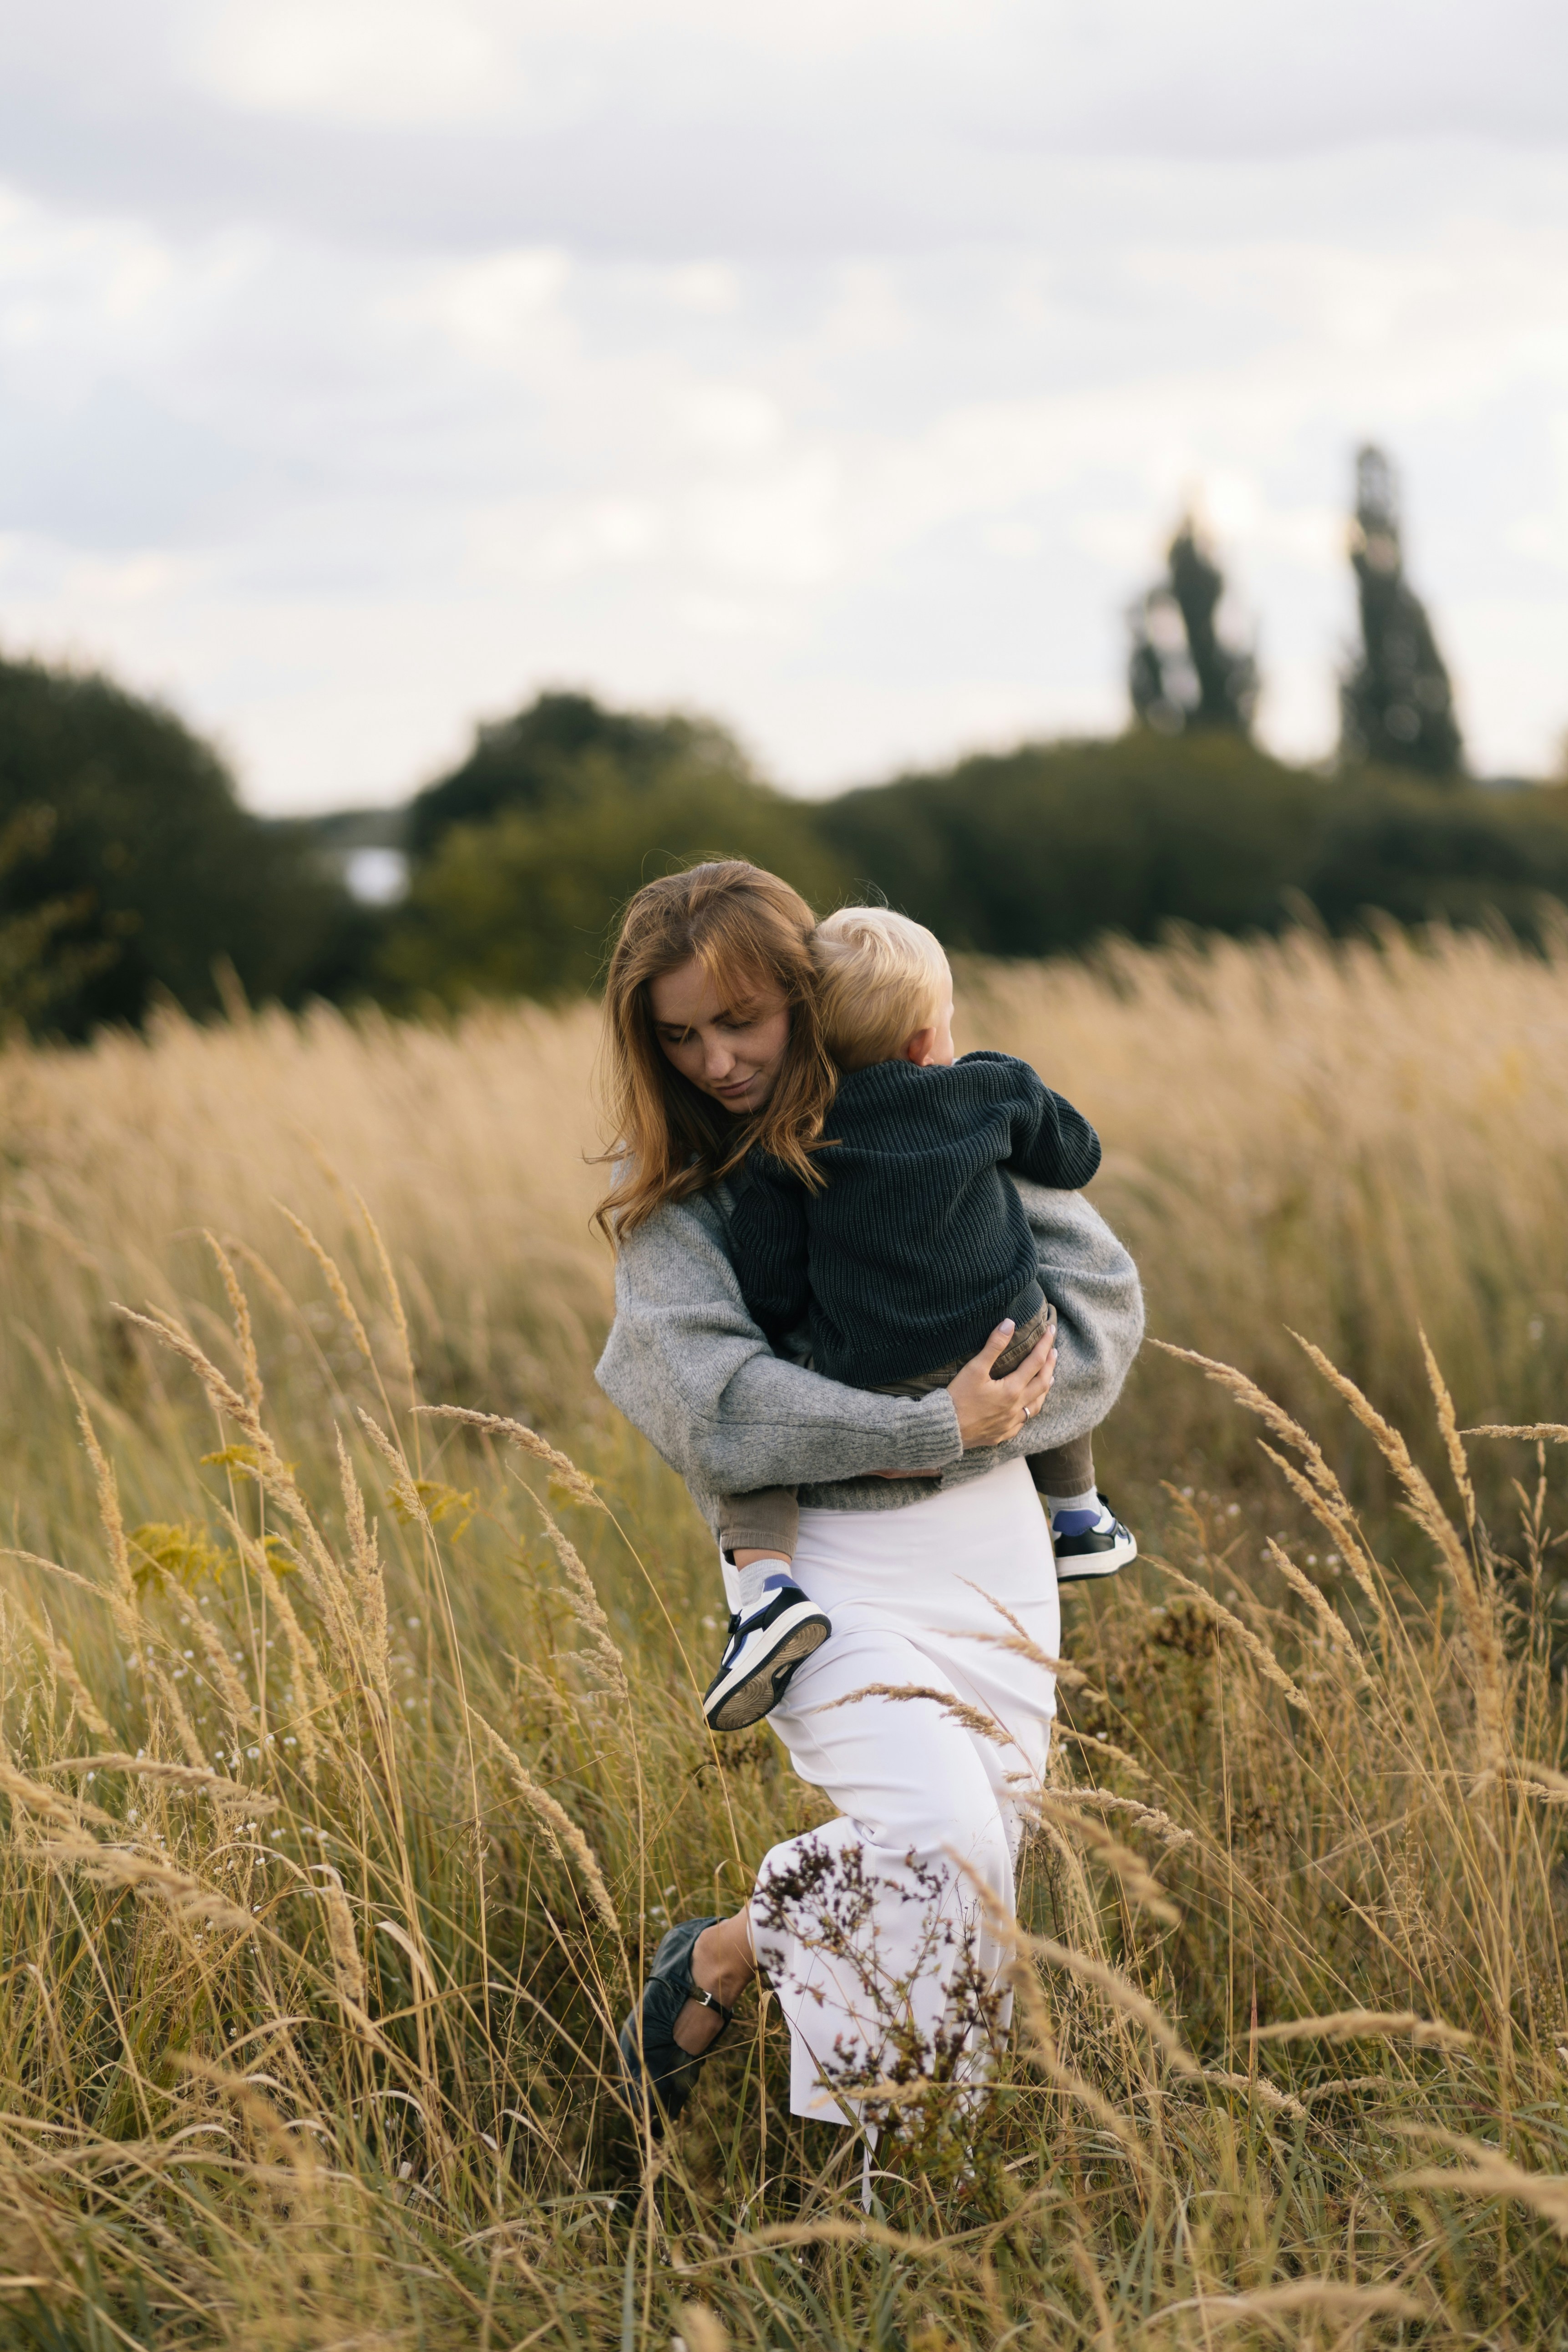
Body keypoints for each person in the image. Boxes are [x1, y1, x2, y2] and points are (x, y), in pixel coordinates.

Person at [593, 862, 1143, 2149]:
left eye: (741, 1021)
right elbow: (716, 1408)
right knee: (935, 1831)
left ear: (807, 993)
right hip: (818, 1569)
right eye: (677, 1035)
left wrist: (991, 1415)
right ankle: (869, 2179)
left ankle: (874, 2151)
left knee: (968, 1881)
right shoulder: (685, 1193)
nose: (716, 1061)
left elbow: (1100, 1315)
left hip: (996, 1545)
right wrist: (928, 1423)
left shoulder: (943, 1119)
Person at [703, 904, 1137, 1733]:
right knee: (1035, 1323)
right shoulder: (986, 1086)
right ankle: (1079, 1514)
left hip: (872, 1370)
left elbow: (769, 1286)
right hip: (1006, 1351)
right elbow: (1076, 1155)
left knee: (754, 1420)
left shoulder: (789, 1139)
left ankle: (767, 1593)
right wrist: (1011, 1099)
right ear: (921, 1041)